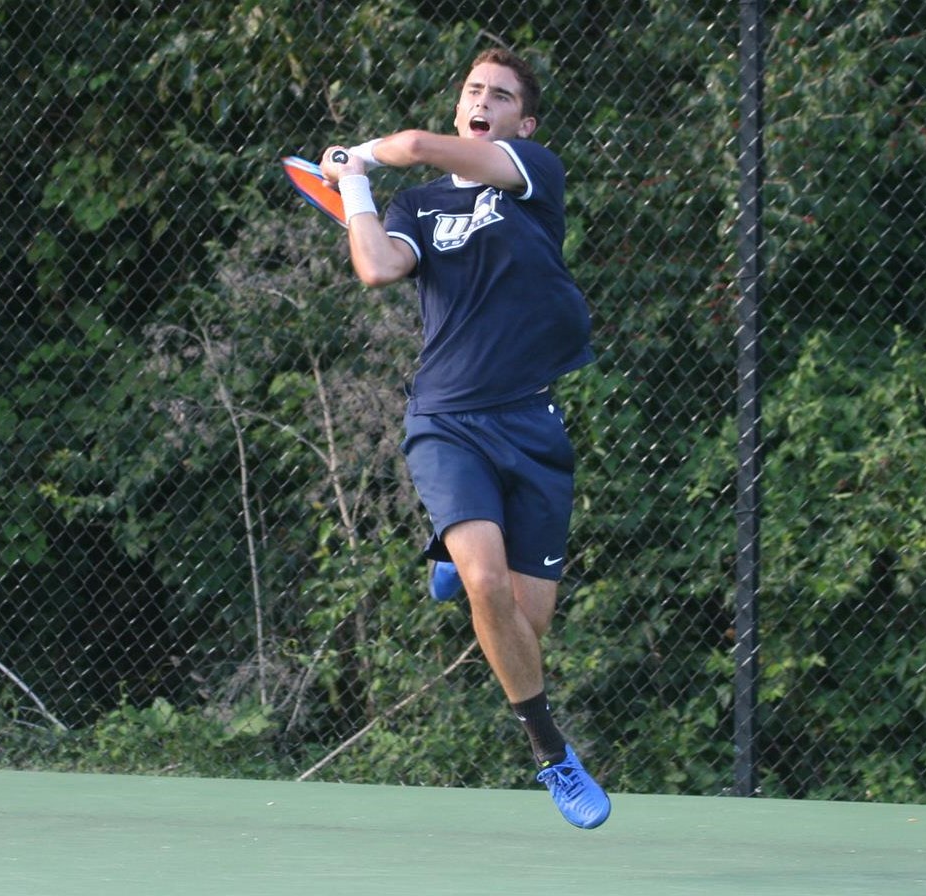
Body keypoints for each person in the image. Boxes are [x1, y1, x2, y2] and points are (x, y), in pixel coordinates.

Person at [319, 47, 610, 829]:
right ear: (461, 104)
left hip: (532, 424)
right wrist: (354, 188)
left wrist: (361, 155)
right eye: (474, 90)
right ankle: (553, 756)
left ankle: (454, 550)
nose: (483, 100)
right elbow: (377, 266)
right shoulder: (415, 206)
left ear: (522, 122)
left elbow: (410, 145)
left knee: (524, 624)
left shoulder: (531, 174)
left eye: (501, 95)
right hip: (445, 419)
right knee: (488, 589)